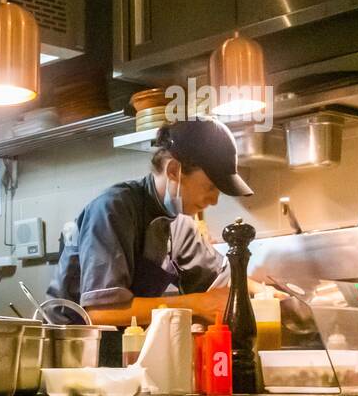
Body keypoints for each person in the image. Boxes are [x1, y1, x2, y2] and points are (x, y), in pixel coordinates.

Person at [47, 117, 254, 326]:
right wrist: (196, 304)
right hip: (74, 348)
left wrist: (262, 292)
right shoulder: (113, 209)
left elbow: (220, 282)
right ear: (174, 171)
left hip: (130, 348)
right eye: (211, 187)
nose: (214, 200)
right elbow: (100, 311)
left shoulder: (181, 225)